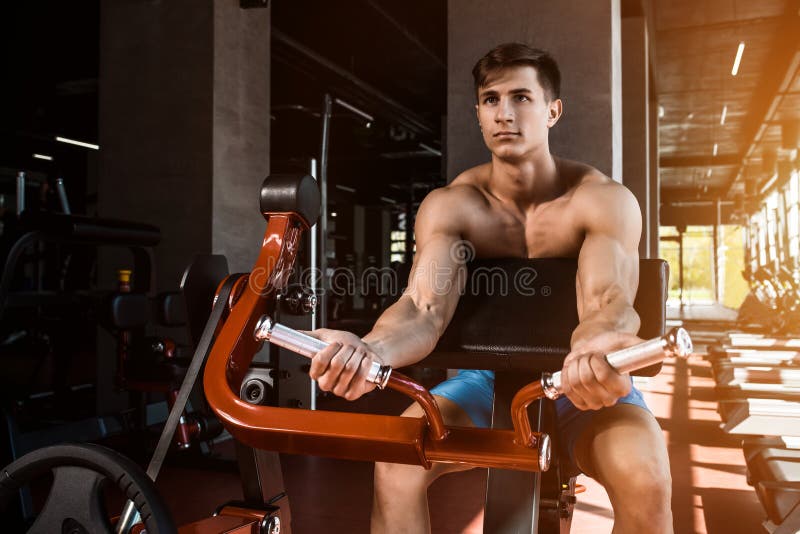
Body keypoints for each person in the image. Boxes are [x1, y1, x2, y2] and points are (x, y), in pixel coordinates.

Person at [307, 43, 672, 534]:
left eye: (521, 98)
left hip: (580, 386)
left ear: (553, 110)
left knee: (646, 479)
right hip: (486, 384)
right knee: (396, 462)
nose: (505, 113)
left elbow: (609, 300)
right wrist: (367, 350)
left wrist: (593, 348)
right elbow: (421, 308)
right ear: (478, 112)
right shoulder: (454, 207)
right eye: (491, 99)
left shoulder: (601, 200)